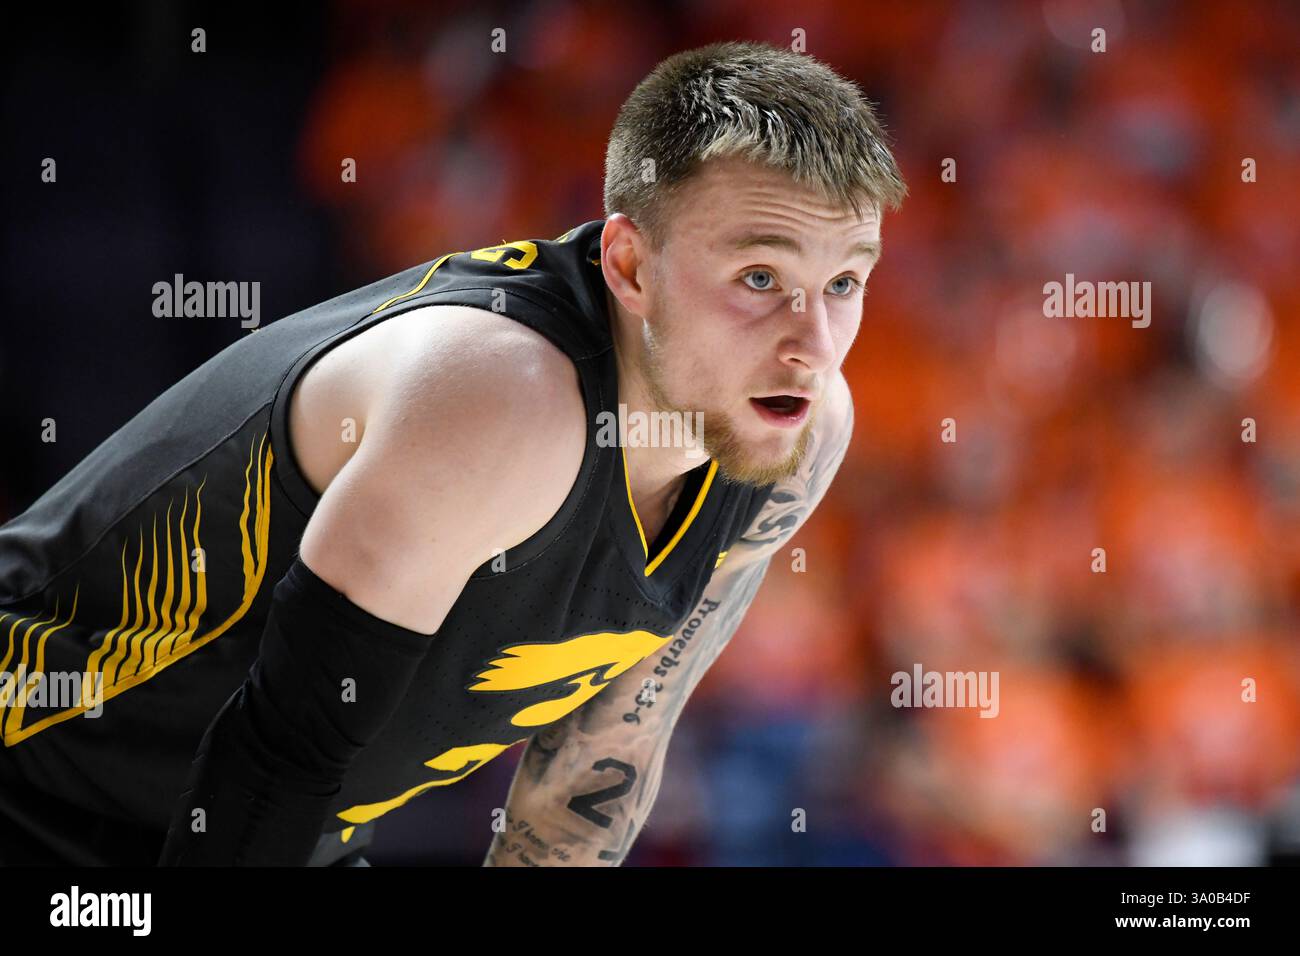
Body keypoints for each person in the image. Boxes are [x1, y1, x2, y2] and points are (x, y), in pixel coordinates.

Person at [0, 40, 905, 866]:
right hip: (39, 781)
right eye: (760, 278)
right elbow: (278, 753)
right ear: (630, 267)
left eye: (843, 283)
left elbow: (599, 768)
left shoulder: (793, 428)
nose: (813, 342)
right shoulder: (503, 395)